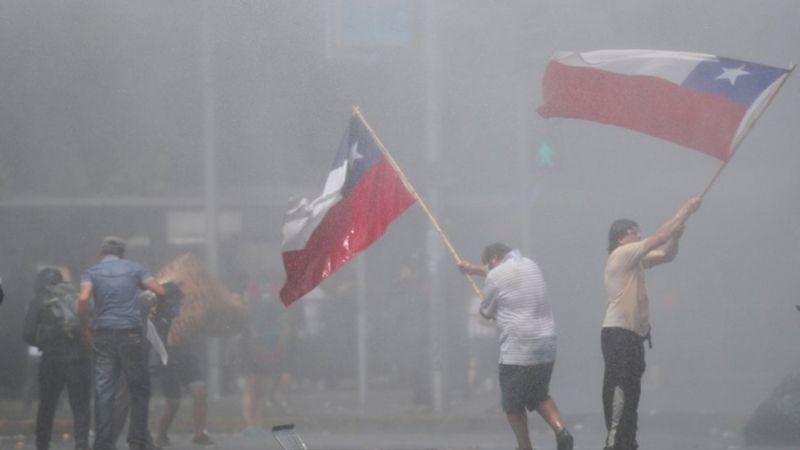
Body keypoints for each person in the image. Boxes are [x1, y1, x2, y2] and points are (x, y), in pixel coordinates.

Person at [601, 196, 701, 450]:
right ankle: (614, 442)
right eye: (635, 232)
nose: (640, 236)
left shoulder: (636, 261)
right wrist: (685, 211)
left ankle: (628, 442)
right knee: (620, 391)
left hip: (633, 335)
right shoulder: (621, 254)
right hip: (618, 333)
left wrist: (676, 237)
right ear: (622, 238)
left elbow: (666, 254)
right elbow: (658, 237)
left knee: (632, 391)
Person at [458, 243, 573, 450]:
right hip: (546, 343)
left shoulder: (495, 275)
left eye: (487, 265)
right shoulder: (530, 264)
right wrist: (475, 270)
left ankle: (524, 445)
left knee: (512, 402)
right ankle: (561, 431)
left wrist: (485, 300)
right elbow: (500, 274)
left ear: (493, 259)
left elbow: (485, 313)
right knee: (539, 394)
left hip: (518, 348)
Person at [78, 236, 166, 450]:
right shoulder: (134, 269)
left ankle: (102, 444)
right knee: (139, 390)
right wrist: (158, 309)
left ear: (102, 253)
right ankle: (137, 442)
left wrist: (85, 330)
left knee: (104, 392)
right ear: (122, 253)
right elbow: (160, 291)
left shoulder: (91, 272)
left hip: (103, 336)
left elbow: (83, 299)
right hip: (131, 336)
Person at [23, 267, 91, 450]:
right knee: (80, 405)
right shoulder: (77, 297)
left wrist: (44, 342)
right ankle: (82, 443)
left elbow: (28, 334)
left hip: (52, 360)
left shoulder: (39, 300)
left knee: (47, 405)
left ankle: (43, 444)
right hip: (79, 359)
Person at [154, 337, 214, 447]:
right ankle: (162, 435)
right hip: (168, 360)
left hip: (189, 359)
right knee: (173, 403)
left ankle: (199, 434)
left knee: (200, 393)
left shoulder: (192, 319)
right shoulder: (160, 320)